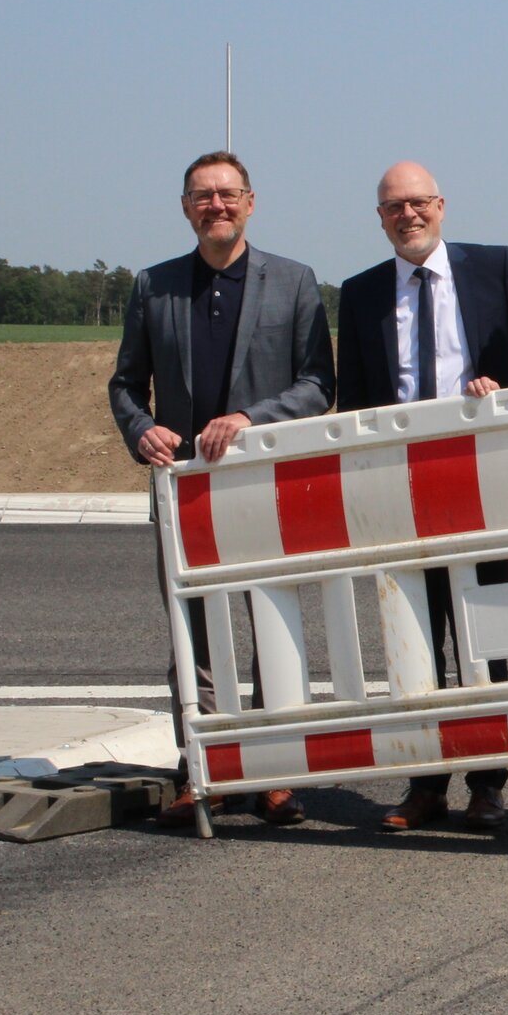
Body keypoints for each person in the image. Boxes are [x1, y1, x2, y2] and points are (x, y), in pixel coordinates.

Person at [108, 150, 335, 830]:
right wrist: (142, 429)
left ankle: (273, 770)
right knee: (194, 632)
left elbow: (318, 384)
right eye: (203, 196)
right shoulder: (154, 286)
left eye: (228, 194)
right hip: (183, 487)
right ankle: (201, 768)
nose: (217, 205)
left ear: (250, 202)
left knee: (272, 626)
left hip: (266, 483)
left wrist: (250, 419)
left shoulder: (294, 281)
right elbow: (125, 383)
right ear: (185, 208)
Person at [336, 161, 508, 833]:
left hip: (479, 482)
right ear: (380, 218)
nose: (409, 215)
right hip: (399, 494)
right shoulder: (361, 293)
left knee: (482, 641)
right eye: (394, 207)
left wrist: (506, 390)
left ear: (441, 205)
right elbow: (355, 398)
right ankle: (426, 785)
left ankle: (487, 783)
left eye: (418, 202)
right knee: (413, 644)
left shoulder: (492, 267)